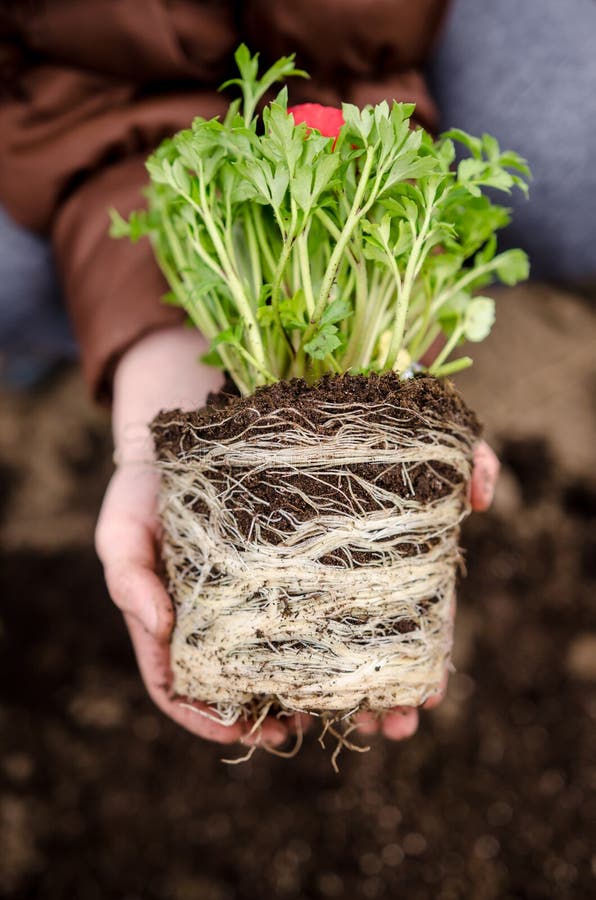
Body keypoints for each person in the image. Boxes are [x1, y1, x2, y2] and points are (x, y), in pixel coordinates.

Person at [2, 0, 590, 748]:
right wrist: (159, 347)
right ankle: (55, 342)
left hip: (371, 41)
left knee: (573, 156)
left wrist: (372, 198)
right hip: (77, 97)